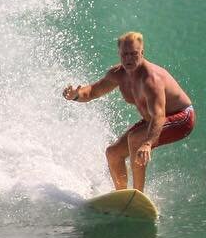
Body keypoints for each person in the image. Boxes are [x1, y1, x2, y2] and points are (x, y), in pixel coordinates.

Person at [63, 31, 195, 192]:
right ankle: (122, 195)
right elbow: (92, 92)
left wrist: (147, 143)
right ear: (119, 54)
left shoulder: (151, 80)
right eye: (124, 54)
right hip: (152, 120)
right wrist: (76, 95)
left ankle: (137, 194)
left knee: (136, 139)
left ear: (142, 53)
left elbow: (159, 116)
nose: (129, 59)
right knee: (113, 153)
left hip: (181, 118)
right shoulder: (118, 75)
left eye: (134, 54)